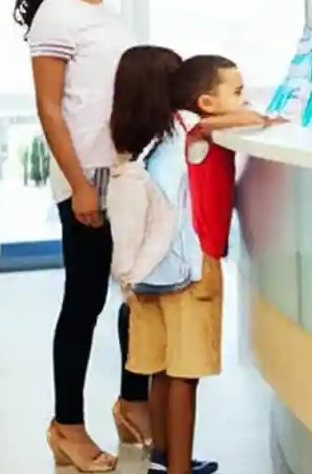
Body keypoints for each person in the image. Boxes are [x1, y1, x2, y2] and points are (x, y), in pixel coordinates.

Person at [17, 0, 150, 472]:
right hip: (88, 178)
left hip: (121, 171)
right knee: (85, 302)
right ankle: (66, 425)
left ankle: (132, 403)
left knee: (139, 295)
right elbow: (50, 109)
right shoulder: (56, 14)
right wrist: (79, 187)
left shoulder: (105, 12)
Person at [108, 51, 277, 474]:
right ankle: (180, 468)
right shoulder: (191, 131)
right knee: (185, 374)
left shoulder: (138, 138)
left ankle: (162, 459)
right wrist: (265, 118)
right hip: (191, 265)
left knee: (162, 369)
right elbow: (234, 121)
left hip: (146, 273)